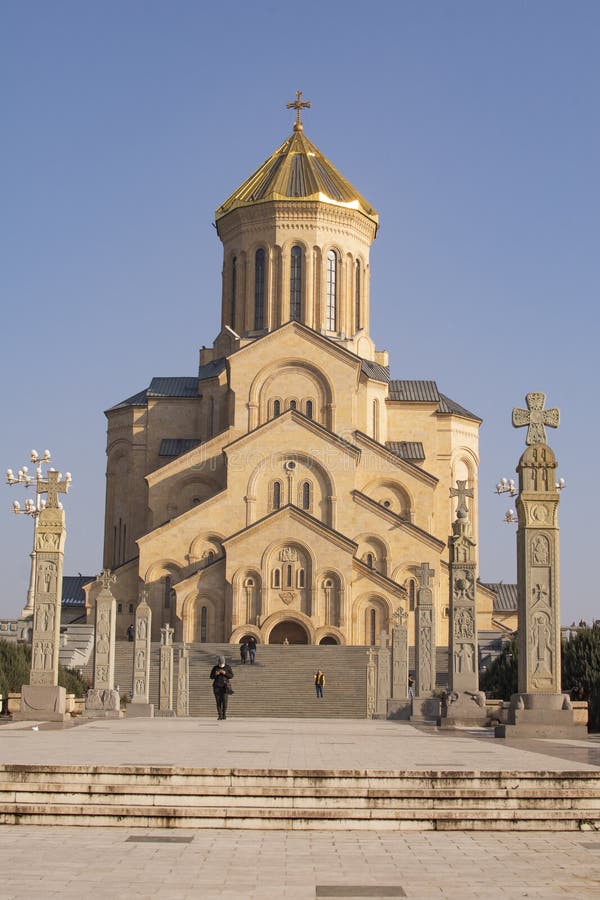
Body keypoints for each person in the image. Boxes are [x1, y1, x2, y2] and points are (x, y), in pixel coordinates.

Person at [210, 656, 234, 720]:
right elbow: (211, 676)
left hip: (225, 687)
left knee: (225, 701)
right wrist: (216, 674)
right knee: (218, 701)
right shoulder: (215, 667)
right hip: (217, 686)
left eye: (222, 663)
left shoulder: (228, 667)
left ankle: (224, 714)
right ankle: (220, 715)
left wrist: (225, 673)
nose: (221, 664)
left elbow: (231, 676)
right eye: (220, 663)